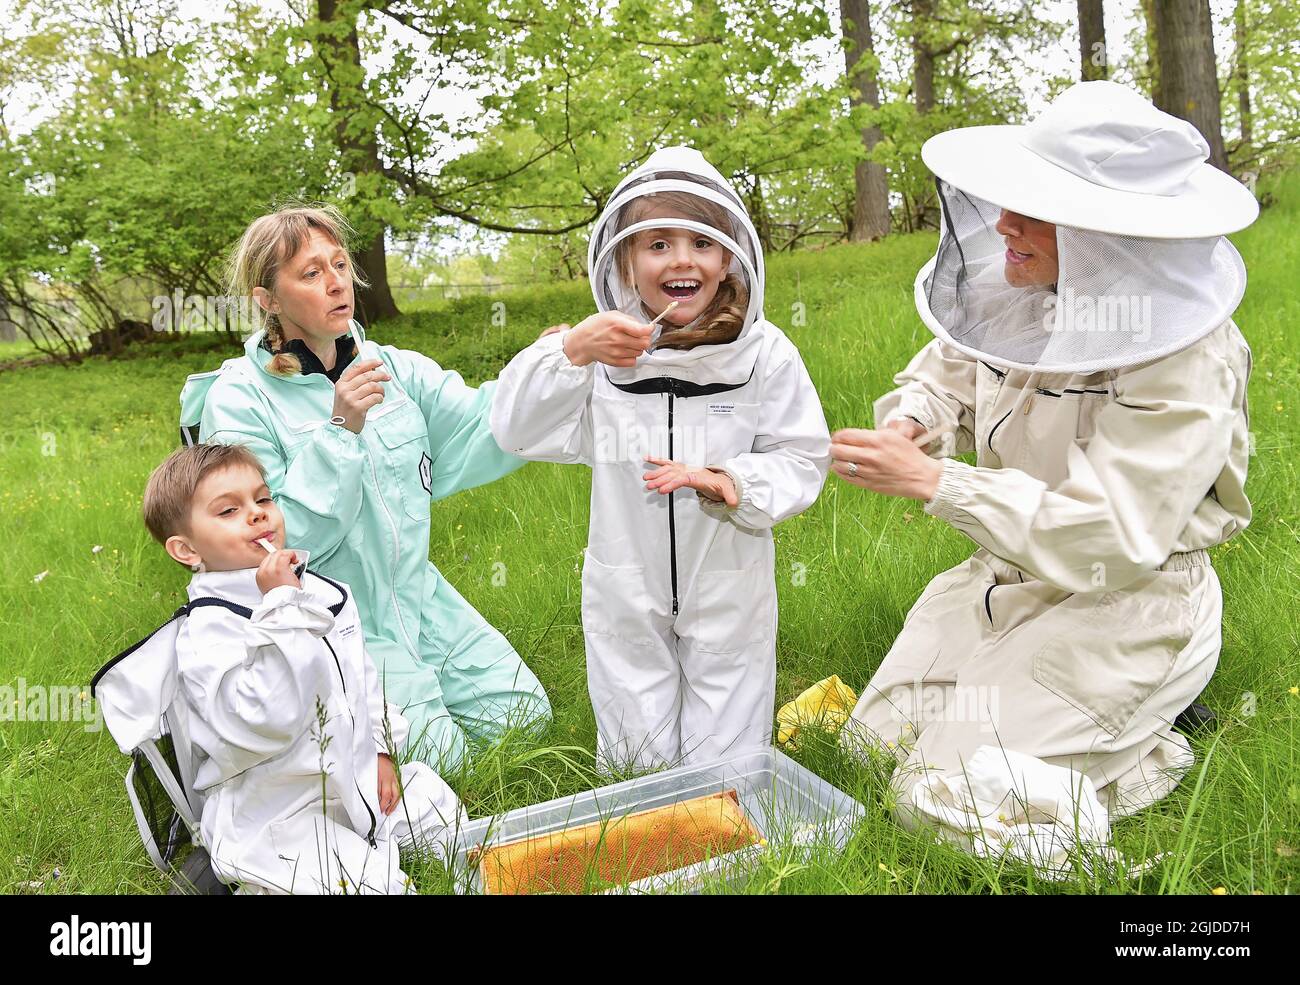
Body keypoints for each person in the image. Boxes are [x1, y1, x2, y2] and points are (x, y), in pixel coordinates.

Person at [830, 81, 1258, 855]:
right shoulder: (1027, 287)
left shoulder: (1186, 356)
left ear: (1108, 235)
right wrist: (917, 416)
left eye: (1036, 211)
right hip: (1009, 575)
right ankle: (1097, 720)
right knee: (869, 749)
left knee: (938, 803)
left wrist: (937, 482)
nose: (1004, 226)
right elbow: (956, 362)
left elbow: (1112, 534)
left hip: (1127, 597)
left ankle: (1149, 729)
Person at [490, 147, 830, 768]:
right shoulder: (600, 348)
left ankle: (727, 830)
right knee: (634, 757)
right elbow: (515, 429)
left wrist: (732, 480)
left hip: (728, 571)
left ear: (728, 255)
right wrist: (567, 351)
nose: (681, 260)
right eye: (658, 245)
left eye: (700, 243)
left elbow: (802, 457)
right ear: (624, 258)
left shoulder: (764, 351)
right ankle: (643, 826)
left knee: (727, 767)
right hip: (625, 572)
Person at [188, 204, 551, 771]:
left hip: (419, 596)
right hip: (336, 619)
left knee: (524, 720)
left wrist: (553, 366)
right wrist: (340, 430)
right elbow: (268, 541)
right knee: (439, 759)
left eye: (339, 264)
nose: (337, 283)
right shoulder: (238, 400)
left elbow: (484, 422)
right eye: (311, 273)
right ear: (269, 300)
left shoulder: (392, 368)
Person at [139, 442, 466, 894]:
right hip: (278, 815)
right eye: (229, 510)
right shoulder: (208, 633)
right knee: (378, 888)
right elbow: (264, 721)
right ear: (187, 549)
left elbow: (362, 680)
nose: (257, 514)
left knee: (445, 817)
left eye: (263, 498)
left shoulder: (324, 592)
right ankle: (239, 879)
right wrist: (281, 605)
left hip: (353, 784)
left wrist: (381, 749)